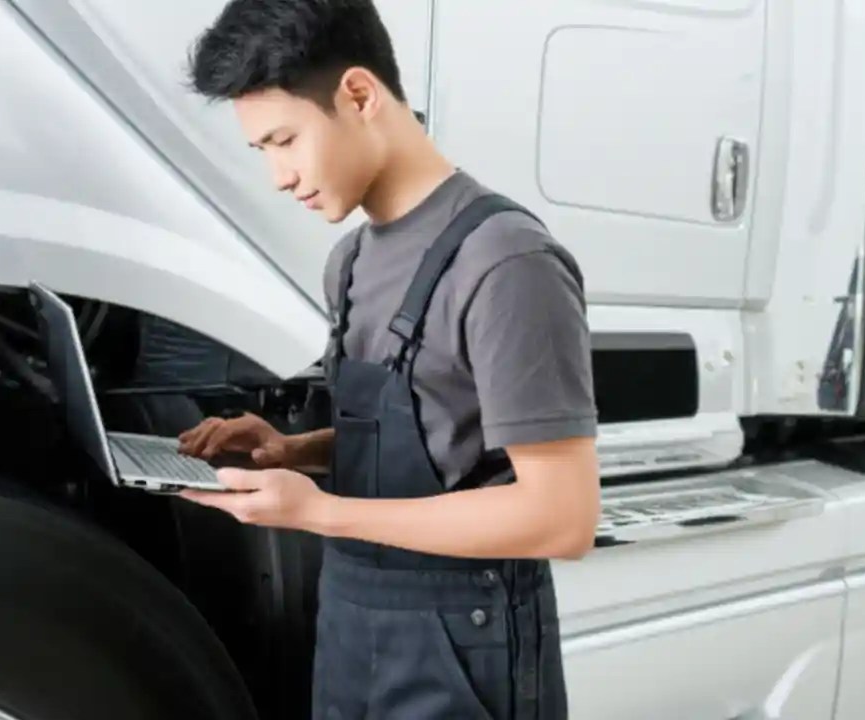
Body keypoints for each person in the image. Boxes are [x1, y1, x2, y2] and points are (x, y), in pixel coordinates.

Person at [178, 1, 601, 718]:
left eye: (285, 140)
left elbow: (562, 516)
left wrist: (322, 514)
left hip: (465, 651)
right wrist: (295, 452)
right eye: (263, 152)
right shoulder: (349, 263)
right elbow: (441, 441)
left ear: (360, 95)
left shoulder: (505, 263)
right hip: (353, 630)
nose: (279, 176)